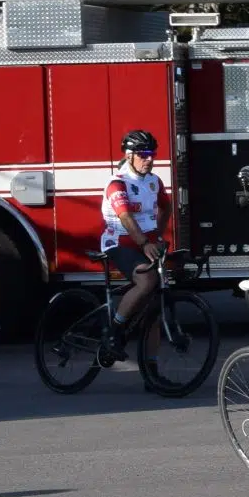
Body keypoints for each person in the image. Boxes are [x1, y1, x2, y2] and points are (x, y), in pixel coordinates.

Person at [100, 128, 172, 352]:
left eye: (152, 154)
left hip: (144, 244)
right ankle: (114, 329)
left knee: (154, 308)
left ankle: (152, 371)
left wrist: (158, 235)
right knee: (148, 280)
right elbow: (125, 216)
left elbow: (166, 207)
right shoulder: (117, 183)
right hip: (119, 244)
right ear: (129, 156)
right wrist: (144, 243)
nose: (149, 159)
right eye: (143, 155)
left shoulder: (153, 181)